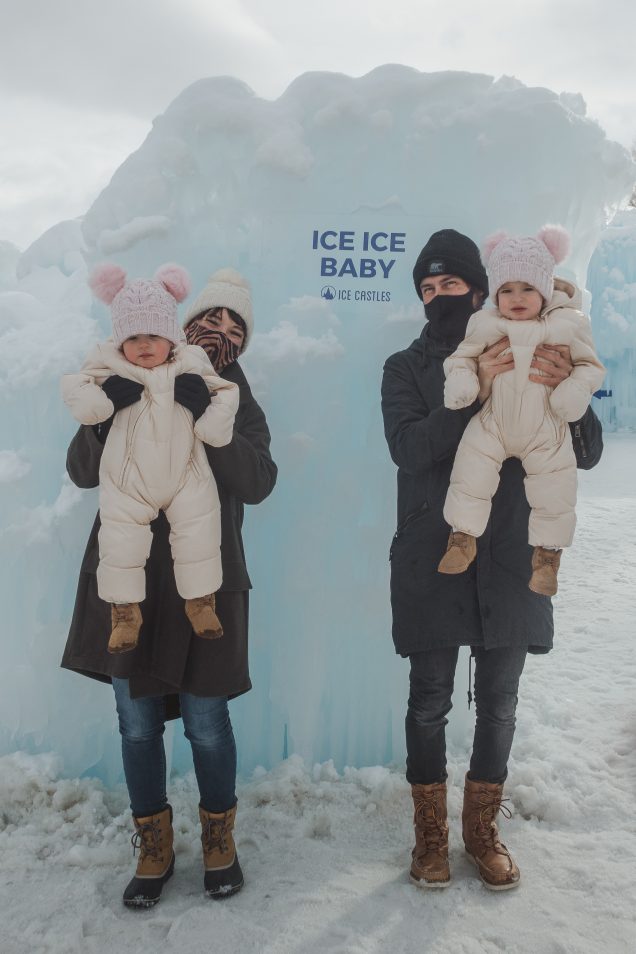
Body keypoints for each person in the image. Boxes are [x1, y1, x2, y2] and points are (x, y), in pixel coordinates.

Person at [381, 228, 602, 891]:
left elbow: (584, 451)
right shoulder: (405, 368)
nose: (439, 296)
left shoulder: (545, 343)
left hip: (513, 551)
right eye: (427, 288)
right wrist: (473, 386)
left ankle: (481, 831)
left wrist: (570, 389)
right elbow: (411, 450)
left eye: (451, 284)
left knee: (500, 704)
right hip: (435, 552)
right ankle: (431, 837)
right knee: (428, 704)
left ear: (484, 289)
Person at [61, 266, 277, 907]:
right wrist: (106, 418)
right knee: (135, 721)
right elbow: (79, 471)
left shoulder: (233, 396)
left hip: (207, 579)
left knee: (208, 720)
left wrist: (204, 413)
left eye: (234, 327)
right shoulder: (119, 381)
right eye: (210, 320)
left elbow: (259, 482)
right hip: (129, 581)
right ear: (174, 328)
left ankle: (219, 842)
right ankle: (153, 847)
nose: (220, 333)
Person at [62, 263, 240, 653]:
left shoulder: (191, 362)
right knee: (120, 538)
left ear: (172, 336)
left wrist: (209, 419)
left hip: (184, 473)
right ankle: (124, 614)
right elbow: (74, 384)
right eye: (134, 336)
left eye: (154, 335)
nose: (144, 345)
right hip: (130, 479)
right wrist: (102, 407)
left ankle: (201, 603)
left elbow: (227, 392)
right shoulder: (110, 363)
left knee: (200, 527)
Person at [438, 227, 605, 596]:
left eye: (527, 288)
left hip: (545, 424)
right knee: (471, 467)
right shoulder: (484, 323)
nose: (516, 298)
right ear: (495, 293)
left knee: (556, 484)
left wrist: (573, 391)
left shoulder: (569, 324)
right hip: (494, 420)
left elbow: (590, 366)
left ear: (544, 289)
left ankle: (547, 556)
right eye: (507, 289)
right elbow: (461, 358)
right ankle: (462, 538)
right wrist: (465, 381)